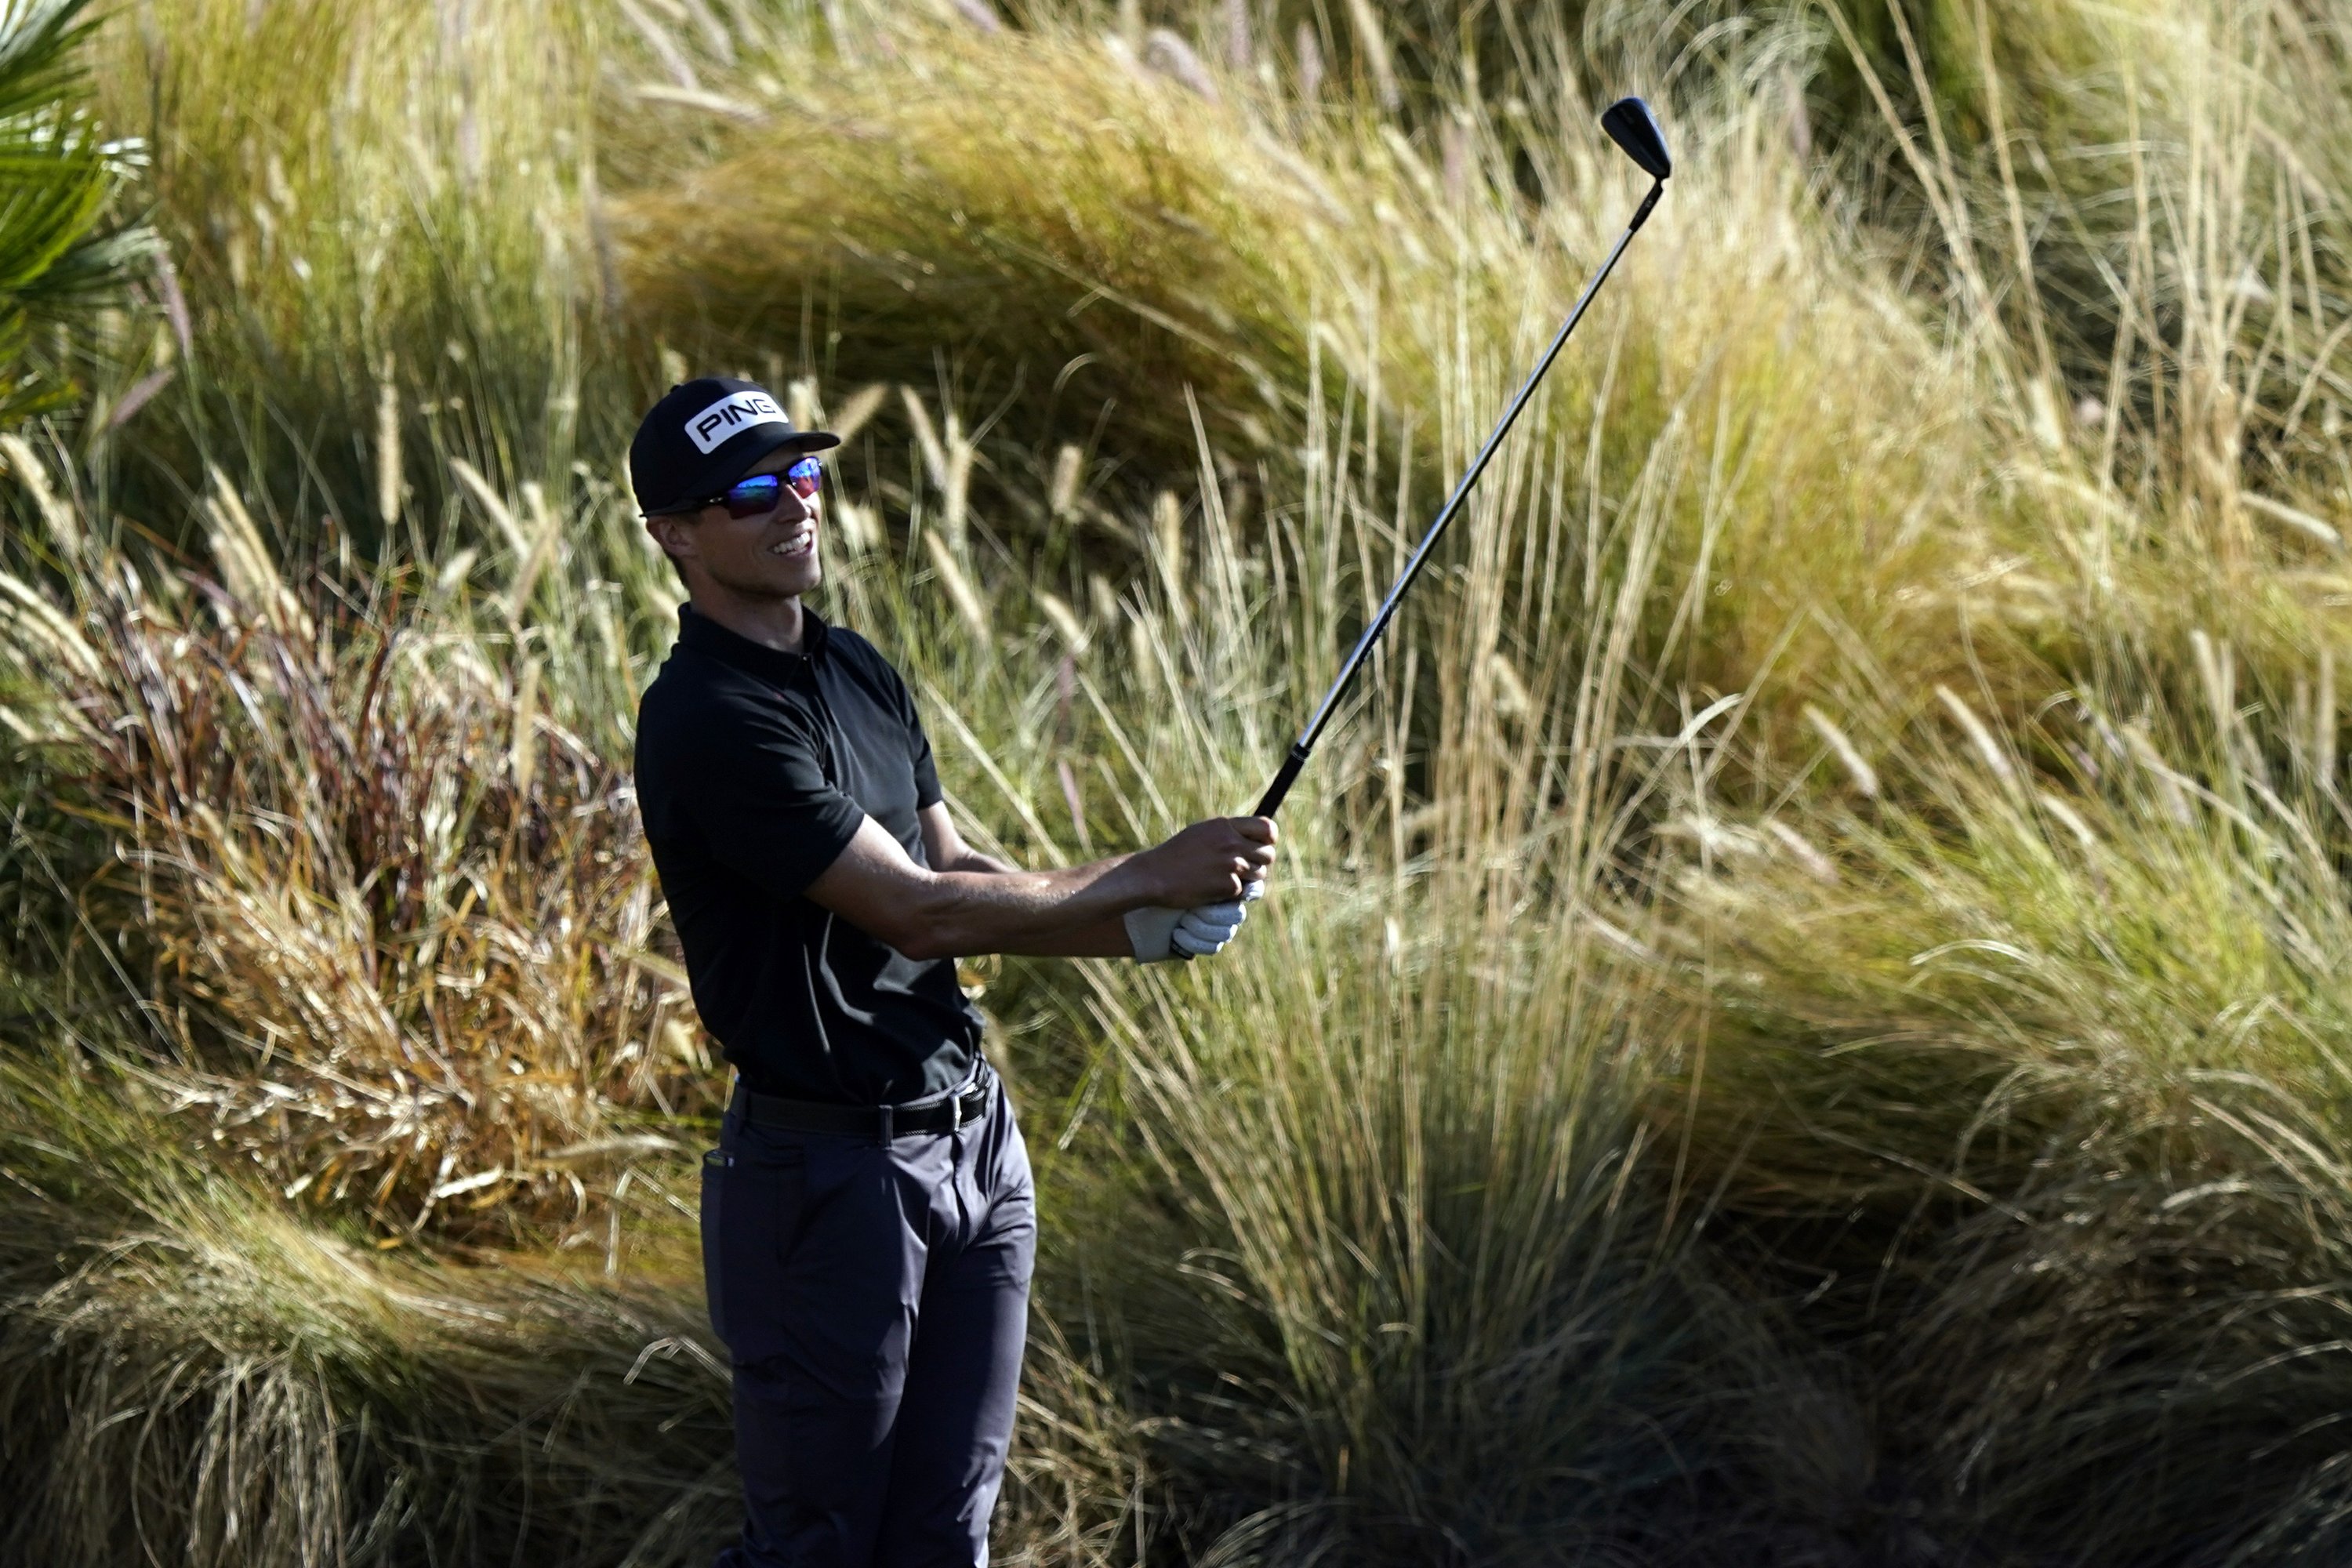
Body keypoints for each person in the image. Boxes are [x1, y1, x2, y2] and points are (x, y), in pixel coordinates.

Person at [627, 377, 1276, 1568]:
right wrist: (1149, 869)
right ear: (675, 535)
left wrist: (1143, 930)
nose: (796, 505)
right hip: (830, 1184)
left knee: (947, 1536)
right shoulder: (706, 718)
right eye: (754, 492)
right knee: (815, 1548)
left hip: (976, 1146)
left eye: (806, 474)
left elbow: (962, 871)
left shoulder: (858, 669)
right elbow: (918, 915)